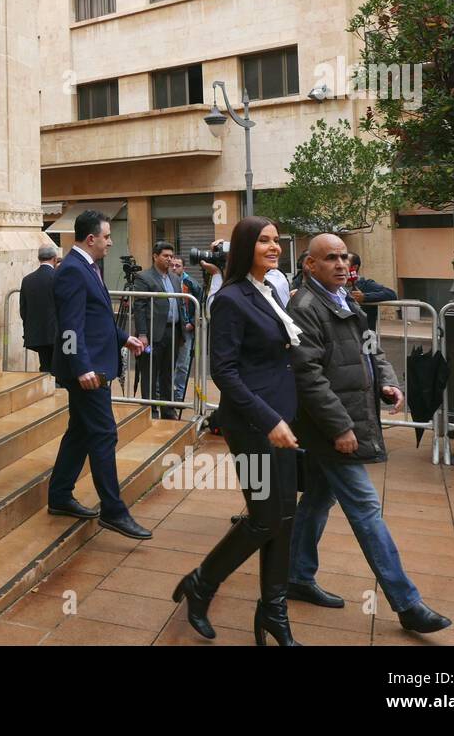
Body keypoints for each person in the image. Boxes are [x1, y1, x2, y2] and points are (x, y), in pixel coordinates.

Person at [287, 233, 453, 634]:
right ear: (310, 265)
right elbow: (307, 376)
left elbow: (371, 348)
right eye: (331, 258)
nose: (342, 265)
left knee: (316, 502)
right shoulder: (305, 306)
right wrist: (340, 427)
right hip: (329, 428)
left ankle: (295, 575)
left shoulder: (346, 299)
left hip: (349, 419)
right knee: (365, 509)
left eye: (345, 257)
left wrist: (387, 381)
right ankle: (407, 603)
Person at [172, 216, 302, 646]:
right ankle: (202, 583)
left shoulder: (267, 290)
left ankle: (274, 614)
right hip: (251, 426)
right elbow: (224, 373)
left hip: (280, 420)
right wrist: (269, 421)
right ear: (246, 246)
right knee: (265, 517)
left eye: (276, 240)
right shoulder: (230, 298)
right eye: (264, 241)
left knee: (284, 518)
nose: (274, 246)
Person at [46, 210, 152, 540]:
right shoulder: (73, 271)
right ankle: (113, 510)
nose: (110, 242)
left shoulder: (87, 267)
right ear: (90, 239)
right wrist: (82, 368)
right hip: (88, 371)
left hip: (94, 365)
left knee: (80, 433)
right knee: (104, 433)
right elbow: (70, 327)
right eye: (106, 237)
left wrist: (125, 338)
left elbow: (97, 317)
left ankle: (60, 496)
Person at [132, 242, 187, 418]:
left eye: (171, 256)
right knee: (149, 372)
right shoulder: (144, 277)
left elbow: (180, 305)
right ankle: (150, 409)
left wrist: (183, 330)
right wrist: (142, 334)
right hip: (152, 334)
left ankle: (168, 408)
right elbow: (139, 307)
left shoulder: (175, 278)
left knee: (168, 372)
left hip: (173, 331)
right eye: (165, 256)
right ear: (155, 256)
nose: (169, 259)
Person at [19, 244, 59, 372]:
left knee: (45, 366)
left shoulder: (27, 280)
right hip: (58, 334)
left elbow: (23, 310)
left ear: (39, 258)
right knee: (59, 369)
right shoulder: (59, 277)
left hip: (37, 334)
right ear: (55, 259)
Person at [170, 256, 201, 405]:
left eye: (178, 265)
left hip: (186, 330)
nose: (174, 268)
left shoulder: (191, 284)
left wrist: (193, 324)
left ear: (184, 268)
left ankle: (178, 395)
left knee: (183, 364)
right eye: (172, 265)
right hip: (171, 327)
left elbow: (199, 305)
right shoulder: (167, 280)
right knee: (168, 362)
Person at [345, 252, 397, 333]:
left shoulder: (366, 284)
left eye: (344, 262)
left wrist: (364, 297)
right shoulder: (334, 285)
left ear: (354, 267)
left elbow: (391, 294)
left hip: (365, 337)